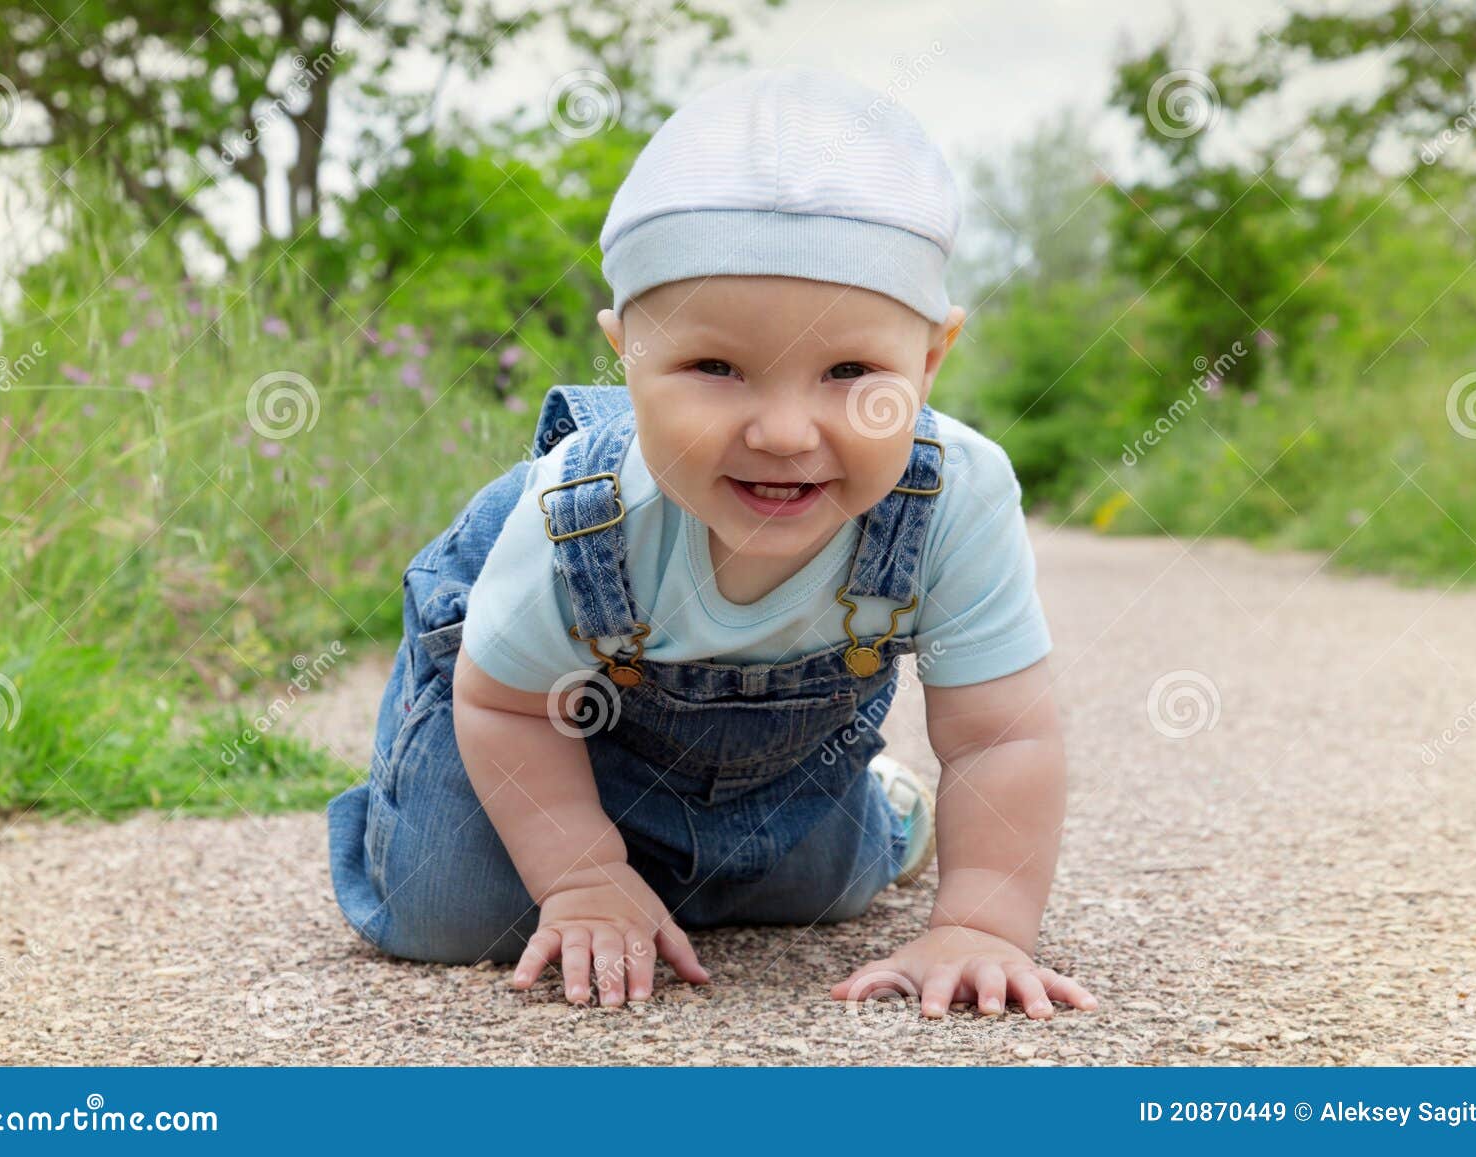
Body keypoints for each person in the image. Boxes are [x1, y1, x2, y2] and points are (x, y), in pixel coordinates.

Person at [327, 67, 1098, 1021]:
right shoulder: (585, 505)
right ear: (626, 353)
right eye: (715, 366)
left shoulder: (953, 498)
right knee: (451, 914)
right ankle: (588, 856)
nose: (782, 431)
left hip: (775, 770)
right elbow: (508, 703)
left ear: (931, 359)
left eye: (849, 370)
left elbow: (1001, 733)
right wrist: (582, 874)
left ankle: (881, 817)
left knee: (809, 892)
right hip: (529, 715)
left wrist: (982, 925)